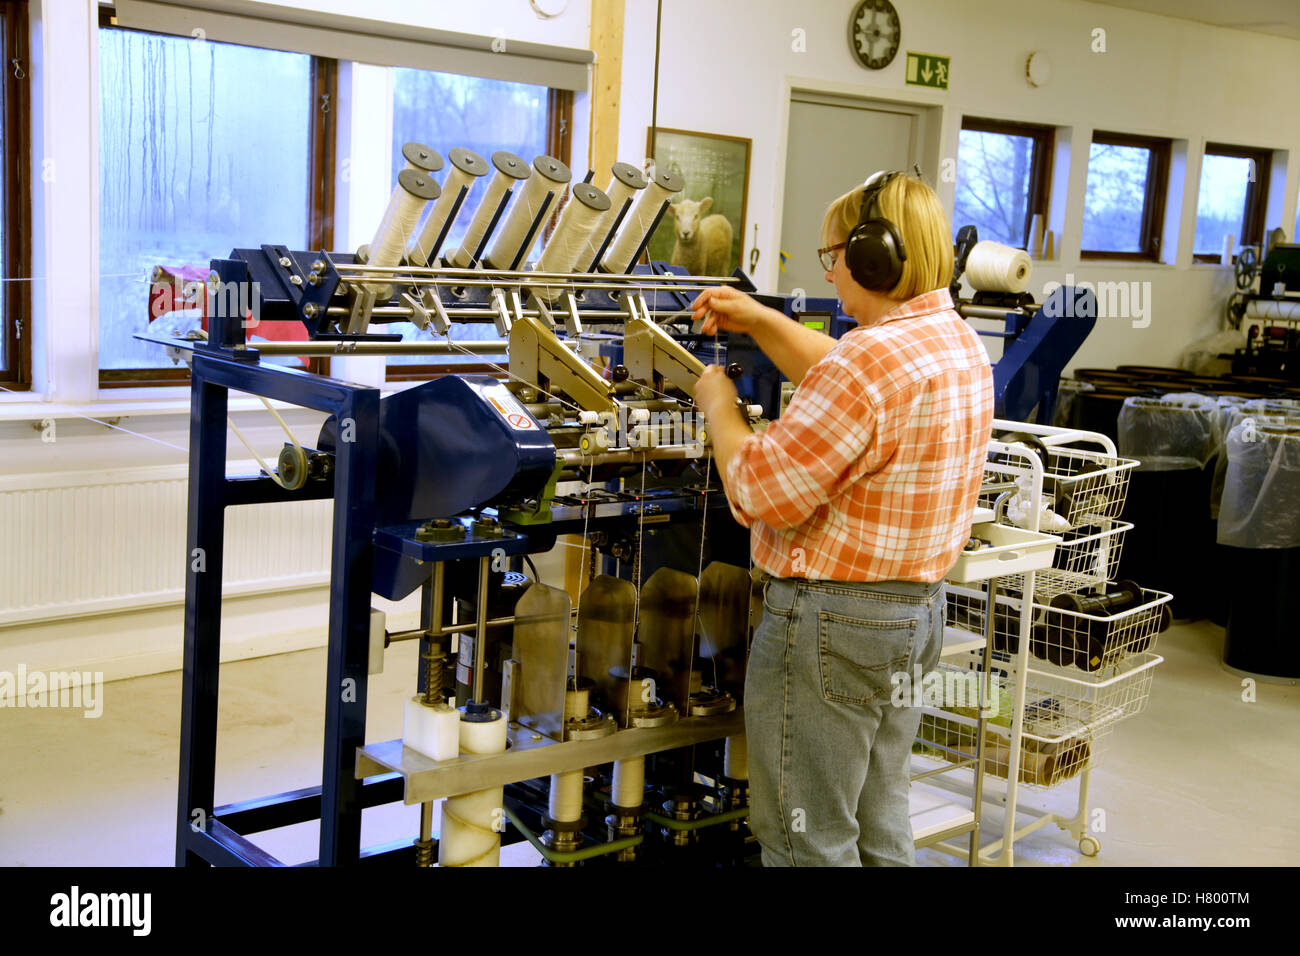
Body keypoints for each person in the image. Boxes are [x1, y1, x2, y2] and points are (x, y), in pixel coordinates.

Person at [690, 171, 994, 866]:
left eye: (834, 257)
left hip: (831, 625)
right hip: (914, 616)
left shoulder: (867, 361)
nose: (831, 274)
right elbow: (856, 376)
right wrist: (762, 319)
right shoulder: (955, 343)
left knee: (808, 842)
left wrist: (718, 408)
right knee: (880, 817)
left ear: (873, 257)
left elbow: (759, 491)